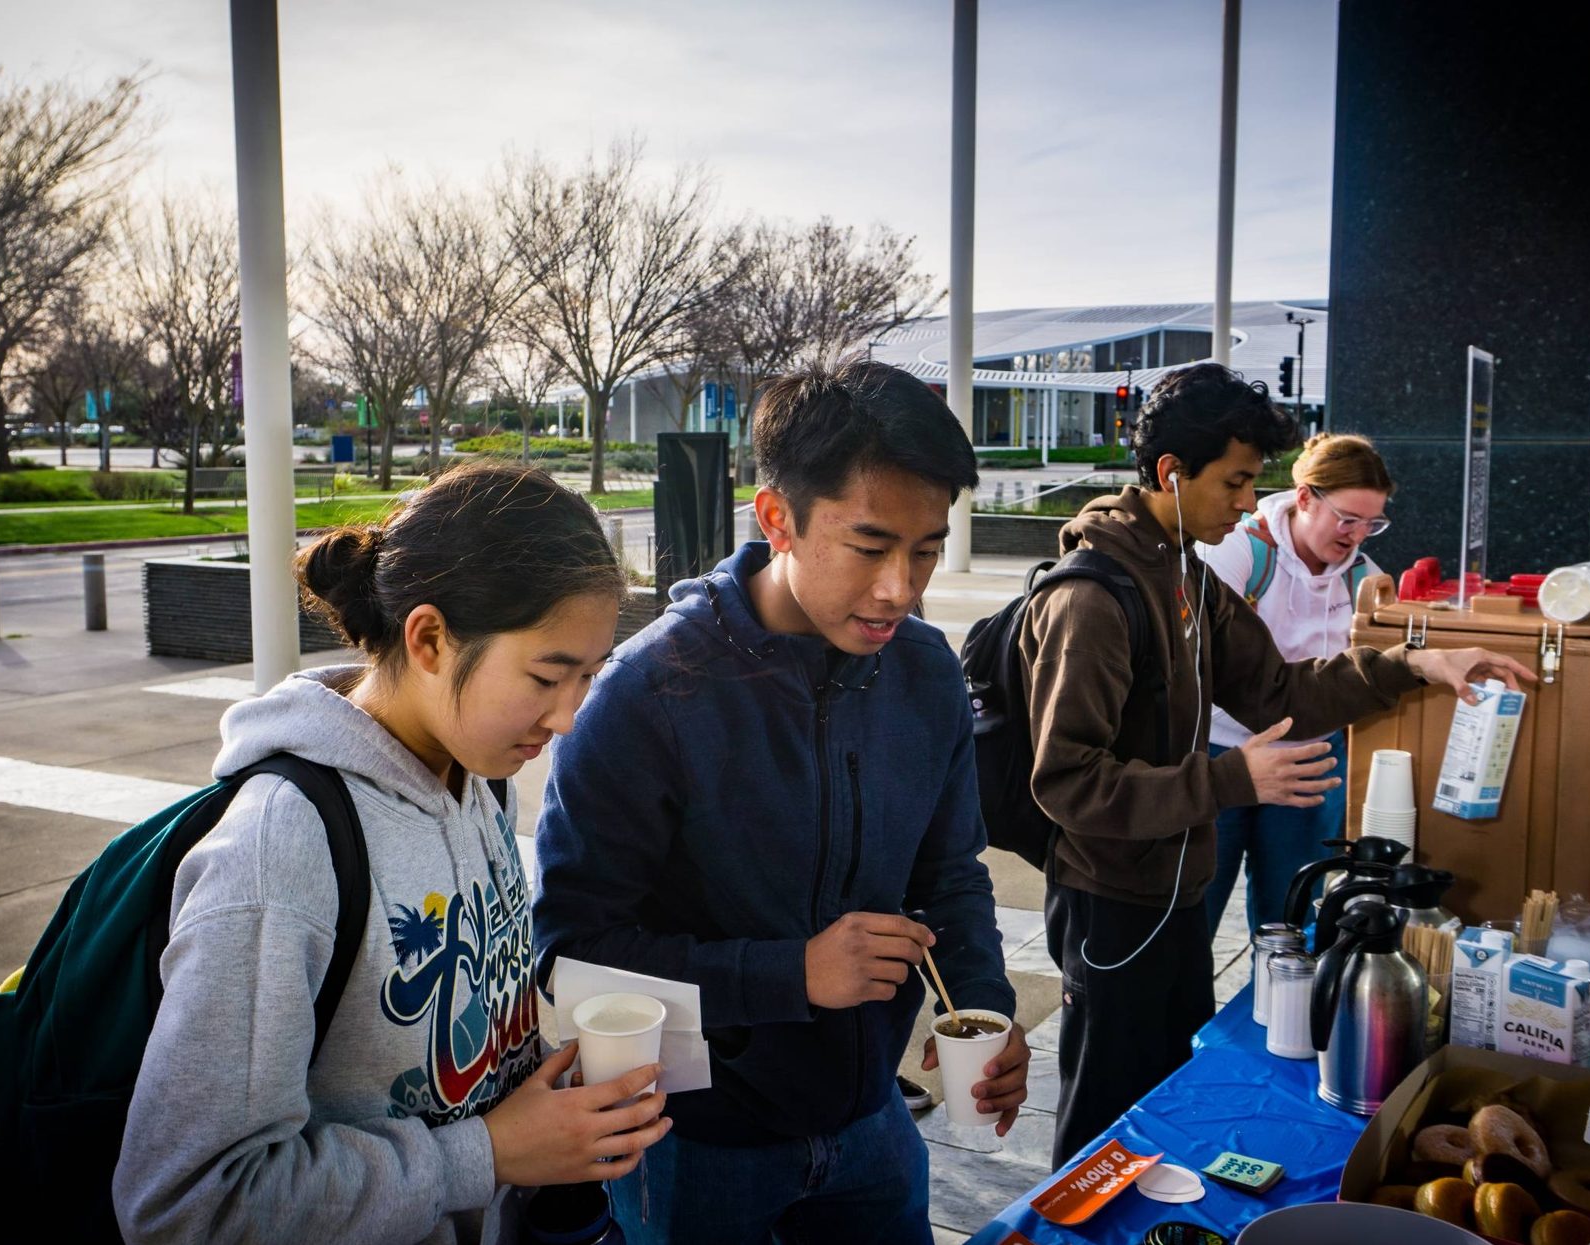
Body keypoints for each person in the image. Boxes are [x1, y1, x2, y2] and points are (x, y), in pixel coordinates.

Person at [533, 359, 1029, 1244]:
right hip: (695, 1140)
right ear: (778, 518)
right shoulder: (648, 694)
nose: (900, 590)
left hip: (874, 1122)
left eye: (925, 549)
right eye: (871, 546)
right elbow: (572, 956)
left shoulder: (923, 671)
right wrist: (792, 973)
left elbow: (950, 872)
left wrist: (985, 1006)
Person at [114, 464, 671, 1245]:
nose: (569, 717)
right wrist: (483, 1152)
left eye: (588, 676)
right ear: (431, 638)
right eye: (548, 676)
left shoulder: (478, 774)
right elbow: (189, 1201)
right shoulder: (282, 851)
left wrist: (545, 1091)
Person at [1020, 363, 1534, 1166]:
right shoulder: (1094, 597)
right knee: (1102, 1116)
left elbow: (1279, 691)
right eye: (1233, 481)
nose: (1244, 500)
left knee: (1164, 1101)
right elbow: (1067, 781)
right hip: (1111, 898)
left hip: (1176, 887)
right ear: (1169, 473)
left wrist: (1416, 664)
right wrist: (1233, 779)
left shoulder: (1184, 573)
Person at [1200, 433, 1397, 939]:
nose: (1356, 535)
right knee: (1193, 912)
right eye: (1347, 519)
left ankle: (1277, 1010)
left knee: (1290, 917)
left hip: (1308, 762)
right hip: (1221, 752)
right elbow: (1208, 665)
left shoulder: (1366, 580)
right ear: (1305, 497)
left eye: (1372, 524)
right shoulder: (1238, 550)